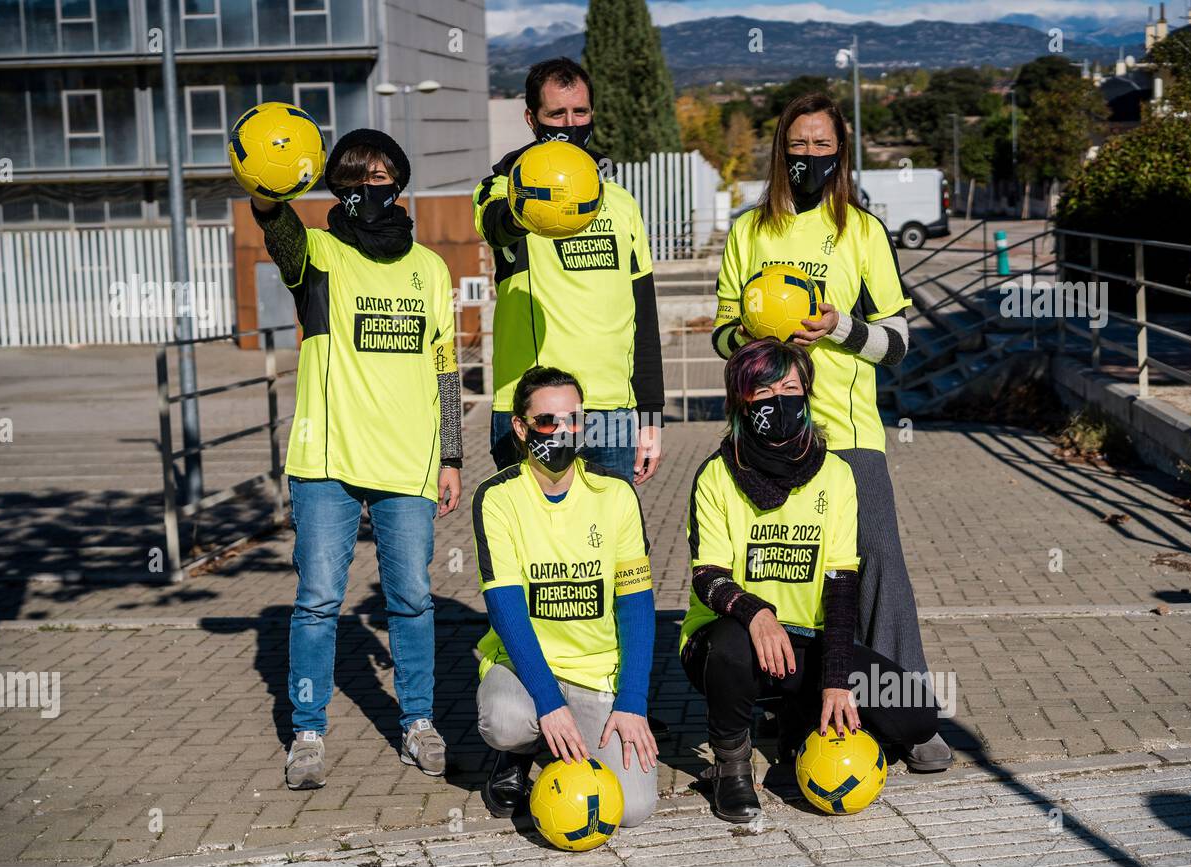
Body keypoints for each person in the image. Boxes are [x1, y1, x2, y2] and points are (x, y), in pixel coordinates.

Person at [708, 92, 951, 771]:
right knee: (779, 564)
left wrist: (839, 327)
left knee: (878, 566)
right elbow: (723, 332)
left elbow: (900, 341)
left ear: (841, 153)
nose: (810, 156)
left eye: (823, 146)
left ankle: (909, 715)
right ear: (781, 148)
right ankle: (783, 703)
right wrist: (755, 332)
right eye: (799, 144)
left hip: (848, 436)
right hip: (764, 434)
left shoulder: (863, 232)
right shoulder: (748, 230)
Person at [248, 128, 462, 789]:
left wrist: (451, 454)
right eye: (358, 179)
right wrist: (265, 191)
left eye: (385, 177)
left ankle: (419, 722)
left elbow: (445, 366)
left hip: (409, 465)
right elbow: (277, 229)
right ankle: (307, 731)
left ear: (400, 184)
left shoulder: (429, 268)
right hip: (326, 461)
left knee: (413, 600)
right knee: (316, 603)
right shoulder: (315, 254)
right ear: (337, 188)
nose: (374, 189)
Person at [682, 338, 942, 823]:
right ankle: (732, 766)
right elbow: (707, 576)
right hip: (729, 640)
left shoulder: (836, 474)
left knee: (916, 713)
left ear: (807, 394)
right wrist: (755, 612)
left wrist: (837, 679)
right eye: (763, 392)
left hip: (806, 641)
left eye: (790, 387)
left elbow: (842, 585)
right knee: (731, 647)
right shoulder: (715, 475)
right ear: (741, 402)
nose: (778, 401)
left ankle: (802, 722)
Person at [470, 366, 659, 827]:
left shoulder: (616, 493)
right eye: (547, 422)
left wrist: (632, 700)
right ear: (520, 427)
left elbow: (636, 605)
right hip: (527, 669)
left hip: (597, 672)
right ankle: (522, 750)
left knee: (633, 810)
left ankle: (567, 738)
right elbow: (506, 606)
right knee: (504, 720)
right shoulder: (496, 497)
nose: (562, 431)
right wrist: (549, 703)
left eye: (573, 419)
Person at [473, 56, 664, 485]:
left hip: (612, 412)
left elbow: (643, 315)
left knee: (615, 546)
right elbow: (496, 226)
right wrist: (532, 202)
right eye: (556, 114)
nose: (570, 123)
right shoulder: (502, 188)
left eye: (580, 112)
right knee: (536, 547)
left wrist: (651, 416)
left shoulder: (619, 201)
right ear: (531, 119)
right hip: (532, 408)